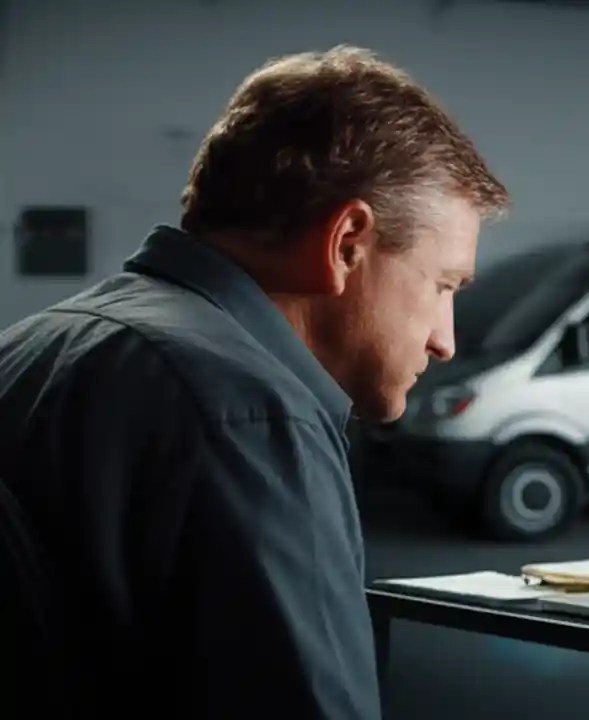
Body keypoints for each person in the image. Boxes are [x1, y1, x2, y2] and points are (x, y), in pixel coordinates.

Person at [0, 45, 509, 718]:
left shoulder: (32, 347)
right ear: (347, 243)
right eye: (443, 285)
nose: (445, 340)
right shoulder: (252, 415)